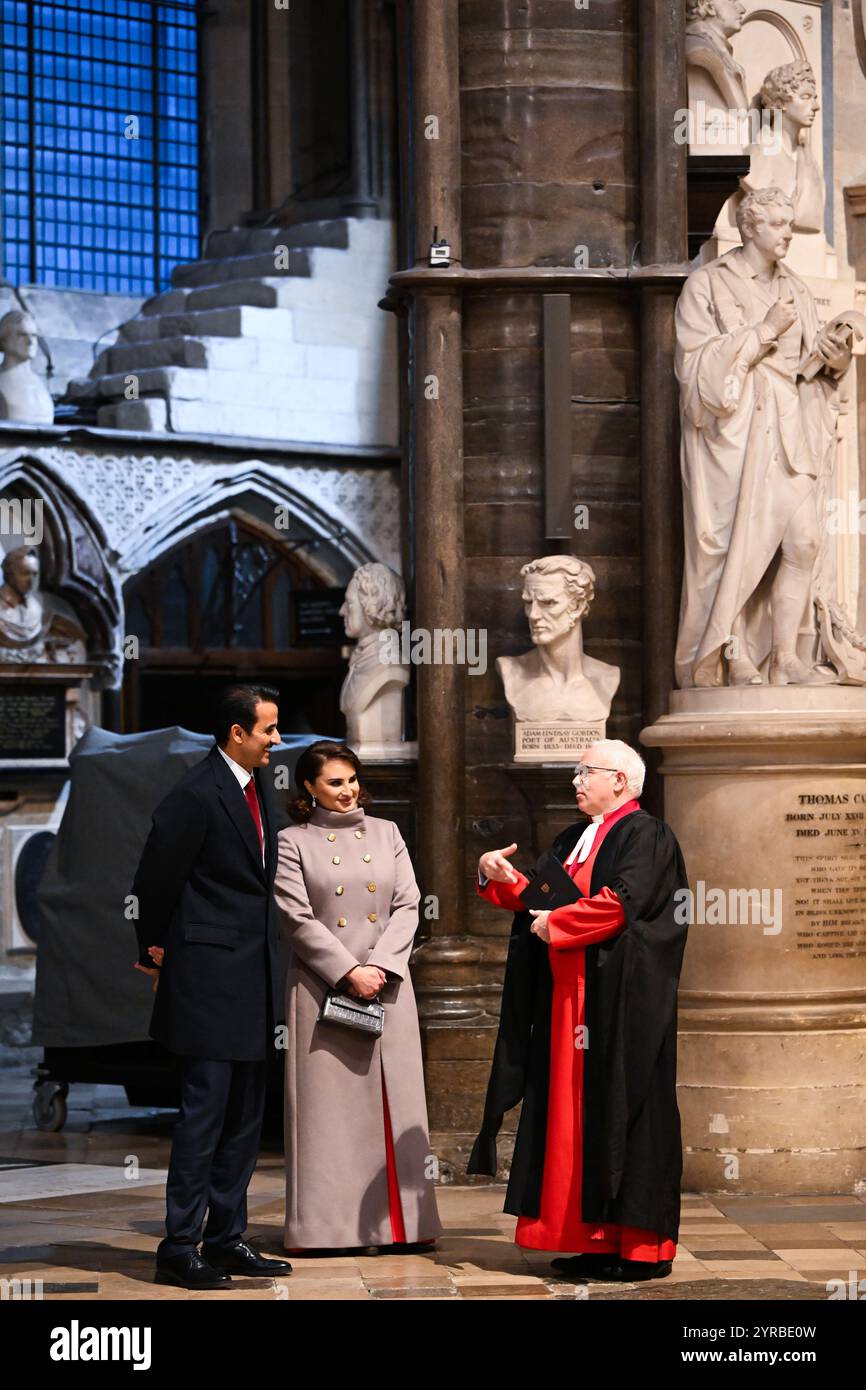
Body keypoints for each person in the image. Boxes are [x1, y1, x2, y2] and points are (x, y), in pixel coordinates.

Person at [467, 740, 689, 1282]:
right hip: (567, 1001)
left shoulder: (647, 835)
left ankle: (635, 1248)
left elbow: (623, 904)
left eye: (585, 771)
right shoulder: (574, 837)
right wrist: (498, 877)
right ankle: (589, 1238)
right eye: (577, 771)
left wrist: (558, 927)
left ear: (620, 780)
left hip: (617, 1002)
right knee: (570, 1119)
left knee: (622, 1111)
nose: (575, 780)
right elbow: (544, 895)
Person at [131, 684, 292, 1289]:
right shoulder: (196, 793)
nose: (277, 740)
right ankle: (178, 1248)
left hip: (252, 981)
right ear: (237, 734)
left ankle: (225, 1239)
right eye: (269, 730)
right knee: (203, 1117)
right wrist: (153, 952)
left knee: (246, 1118)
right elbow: (153, 879)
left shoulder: (253, 790)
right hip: (207, 980)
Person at [675, 186, 854, 688]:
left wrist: (832, 358)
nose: (788, 234)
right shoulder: (709, 285)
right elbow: (698, 371)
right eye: (778, 225)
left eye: (791, 225)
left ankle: (785, 656)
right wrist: (762, 331)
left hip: (792, 425)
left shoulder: (795, 287)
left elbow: (808, 367)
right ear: (750, 227)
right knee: (741, 545)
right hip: (739, 435)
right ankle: (731, 651)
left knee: (805, 542)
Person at [274, 740, 442, 1253]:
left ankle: (404, 1227)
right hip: (323, 991)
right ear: (309, 787)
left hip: (387, 987)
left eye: (351, 780)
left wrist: (379, 967)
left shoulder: (387, 833)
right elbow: (294, 917)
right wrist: (347, 970)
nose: (347, 792)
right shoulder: (291, 841)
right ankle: (328, 1230)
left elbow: (408, 904)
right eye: (334, 782)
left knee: (399, 1103)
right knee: (330, 1116)